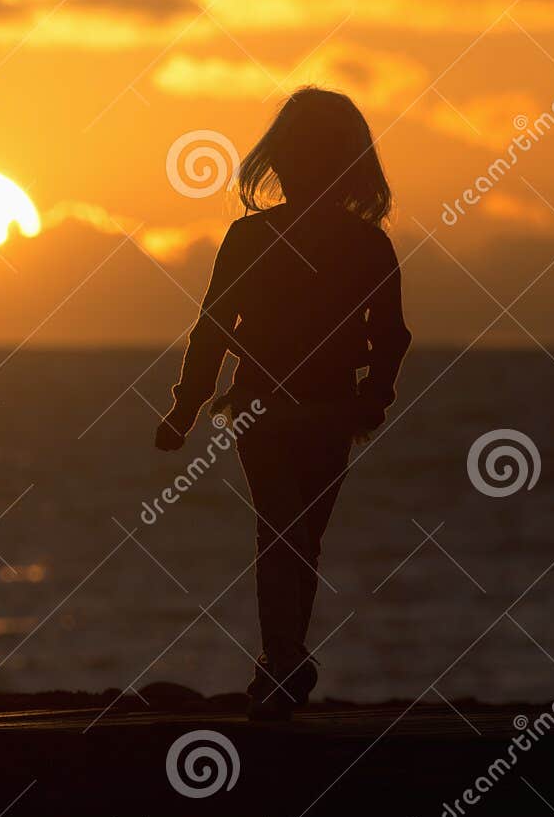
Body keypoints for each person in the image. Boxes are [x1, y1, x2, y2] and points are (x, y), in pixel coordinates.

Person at [155, 88, 411, 721]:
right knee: (292, 534)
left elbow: (212, 329)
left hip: (284, 409)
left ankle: (283, 661)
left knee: (290, 534)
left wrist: (187, 410)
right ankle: (282, 662)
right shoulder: (361, 244)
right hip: (296, 410)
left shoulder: (260, 237)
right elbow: (391, 338)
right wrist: (373, 398)